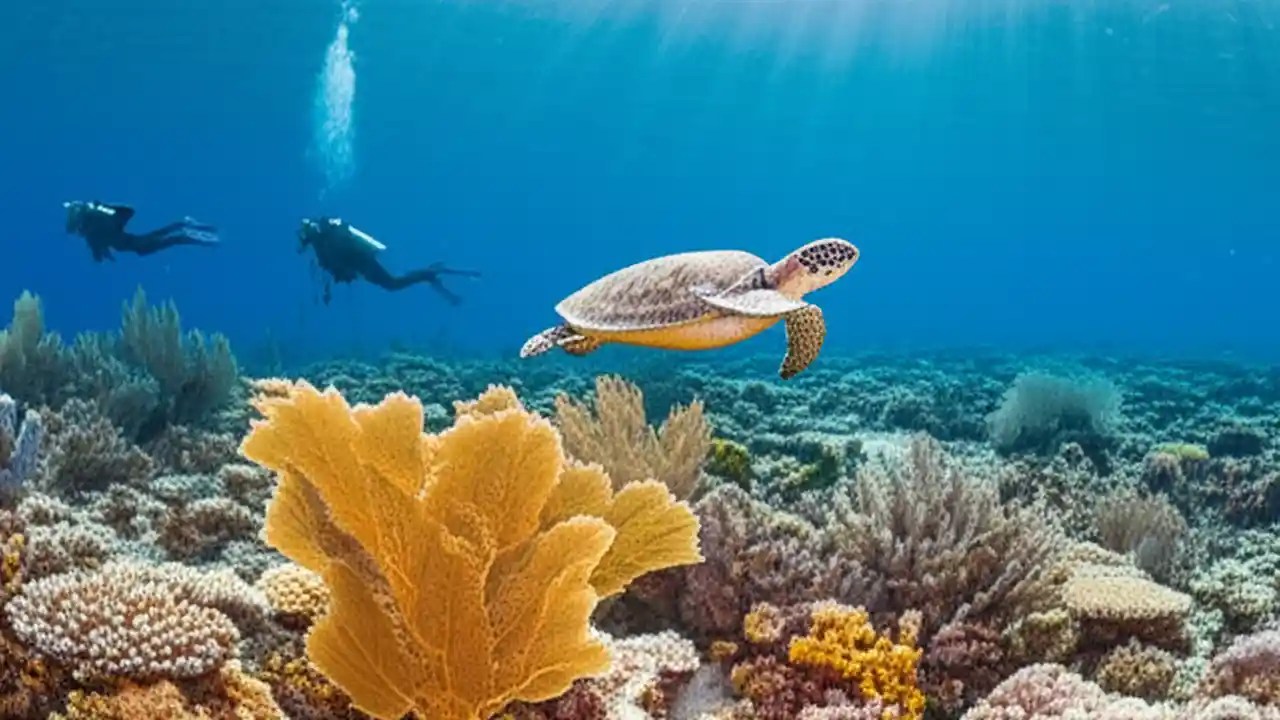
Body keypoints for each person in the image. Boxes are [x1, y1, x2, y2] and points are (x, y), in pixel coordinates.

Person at [297, 217, 479, 304]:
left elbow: (340, 260)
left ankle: (433, 272)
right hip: (362, 268)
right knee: (394, 283)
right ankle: (431, 274)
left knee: (393, 284)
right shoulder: (322, 244)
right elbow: (330, 268)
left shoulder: (329, 239)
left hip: (365, 265)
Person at [63, 201, 219, 262]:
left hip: (132, 243)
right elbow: (100, 250)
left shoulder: (94, 231)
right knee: (161, 236)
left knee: (169, 239)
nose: (78, 233)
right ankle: (183, 225)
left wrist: (103, 254)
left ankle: (186, 229)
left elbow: (99, 250)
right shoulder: (93, 233)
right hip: (131, 243)